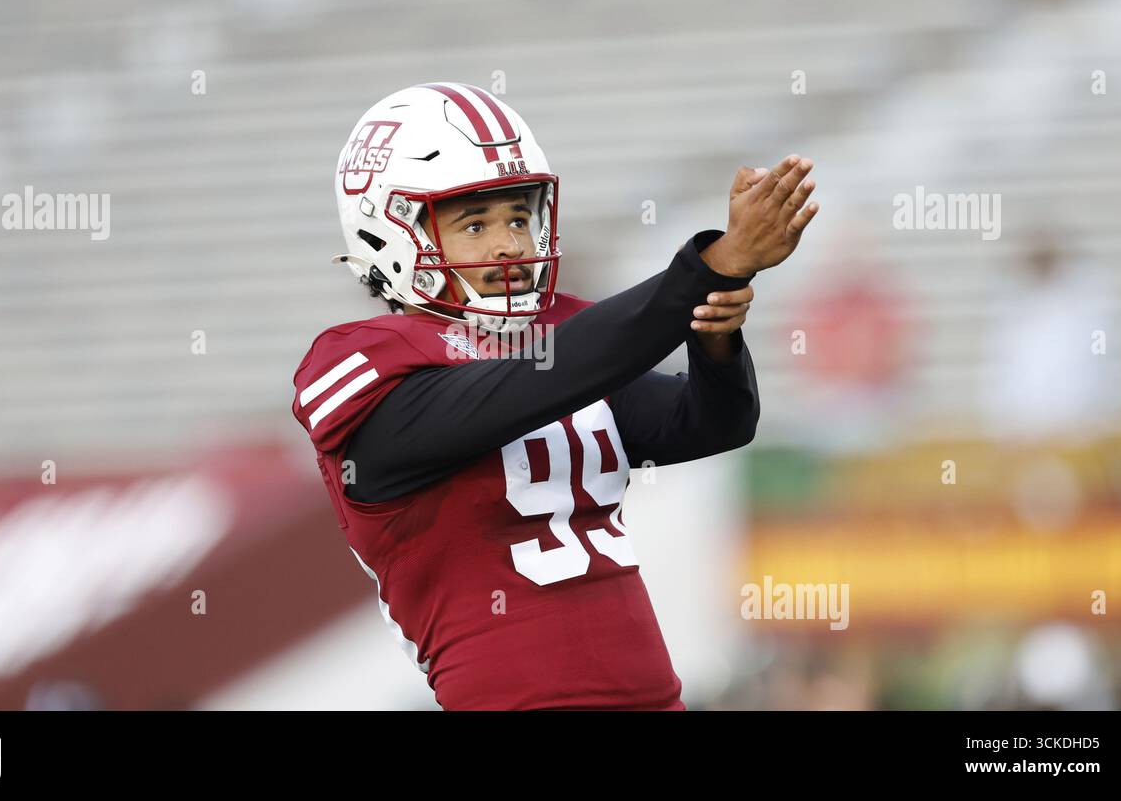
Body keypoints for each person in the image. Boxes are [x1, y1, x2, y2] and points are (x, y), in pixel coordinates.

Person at [292, 82, 818, 709]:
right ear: (390, 233)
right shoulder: (371, 361)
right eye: (475, 223)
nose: (510, 243)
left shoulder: (560, 340)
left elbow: (711, 422)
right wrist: (715, 263)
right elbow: (540, 378)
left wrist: (714, 334)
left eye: (518, 216)